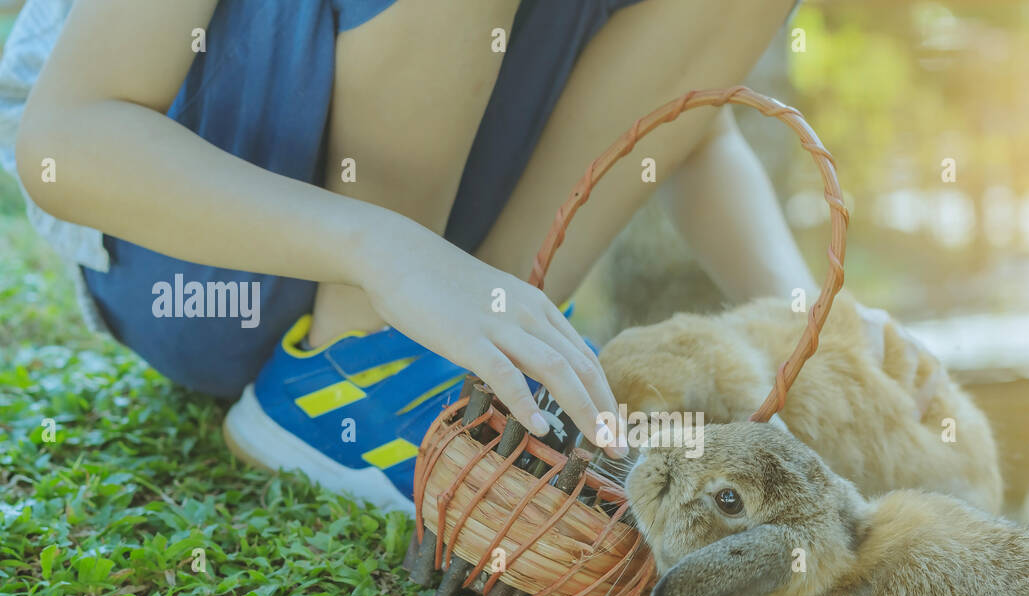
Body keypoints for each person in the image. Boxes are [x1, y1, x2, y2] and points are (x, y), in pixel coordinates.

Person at [3, 0, 938, 514]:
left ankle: (468, 380)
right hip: (192, 250)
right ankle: (349, 377)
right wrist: (382, 254)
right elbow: (67, 142)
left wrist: (810, 323)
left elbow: (683, 113)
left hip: (435, 249)